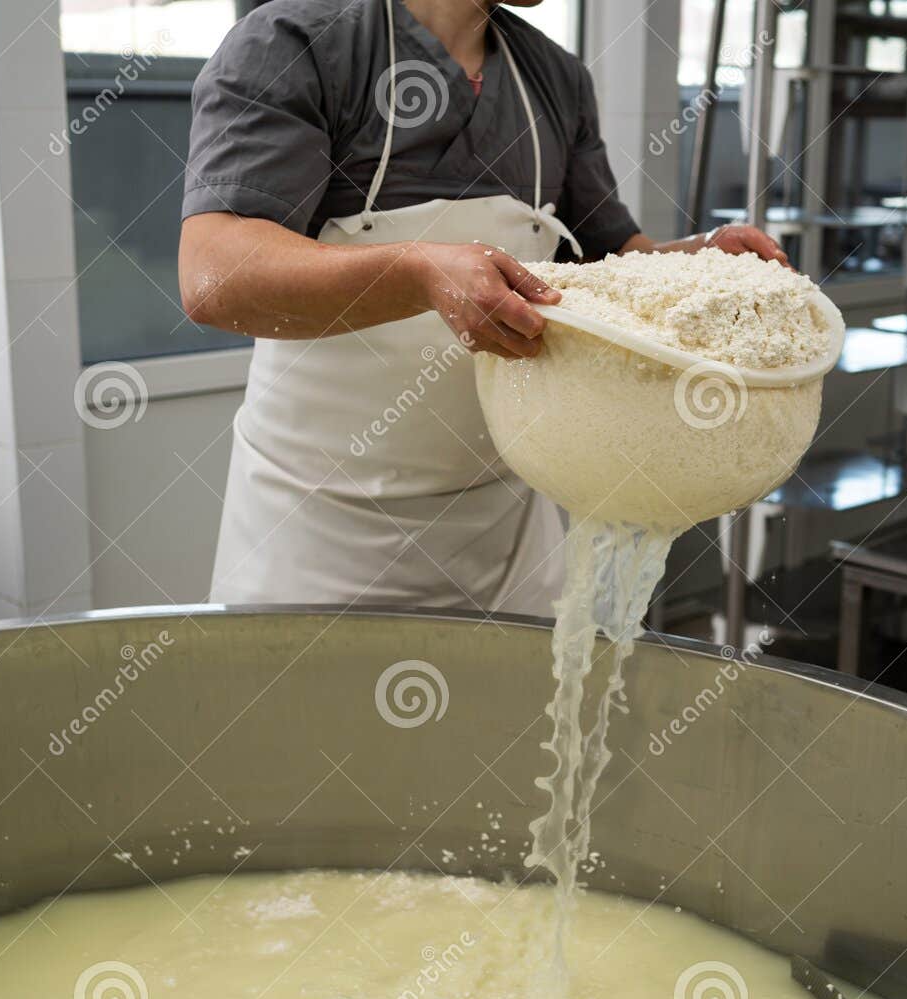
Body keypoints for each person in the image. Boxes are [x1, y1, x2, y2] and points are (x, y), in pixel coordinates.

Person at [180, 0, 786, 616]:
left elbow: (607, 264)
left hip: (506, 529)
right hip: (318, 529)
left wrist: (699, 261)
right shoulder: (295, 45)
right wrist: (419, 274)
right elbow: (215, 274)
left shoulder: (552, 77)